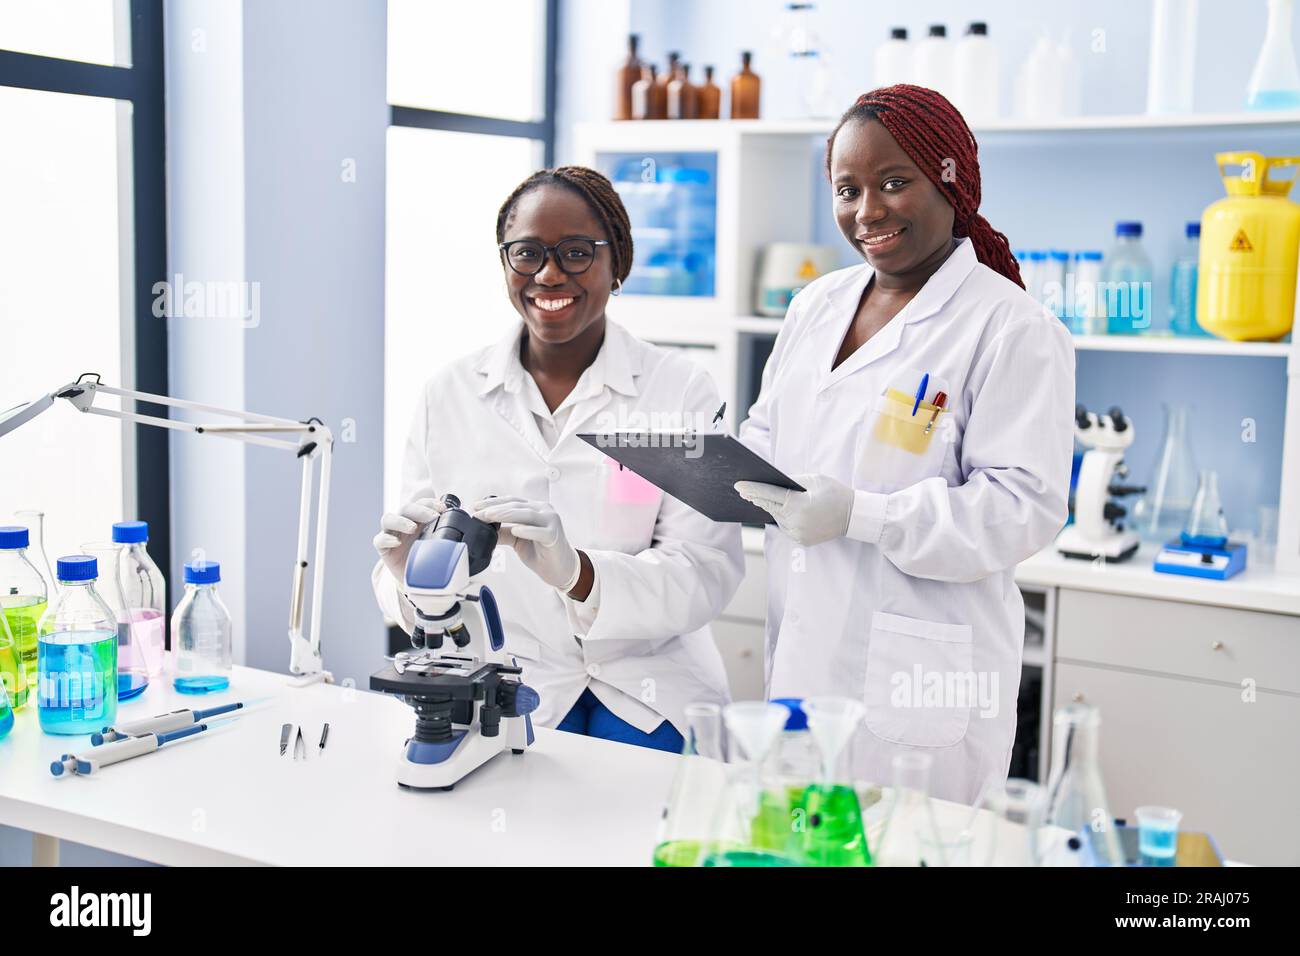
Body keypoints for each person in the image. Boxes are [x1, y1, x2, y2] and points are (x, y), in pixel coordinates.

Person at [734, 86, 1075, 802]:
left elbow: (1022, 510)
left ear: (953, 183)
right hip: (803, 655)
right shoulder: (815, 305)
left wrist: (861, 515)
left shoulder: (1010, 327)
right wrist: (719, 475)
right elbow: (767, 433)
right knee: (795, 839)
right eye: (847, 189)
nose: (868, 212)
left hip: (922, 681)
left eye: (895, 183)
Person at [372, 166, 743, 753]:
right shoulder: (448, 394)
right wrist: (410, 582)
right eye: (527, 253)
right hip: (508, 685)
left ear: (616, 263)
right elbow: (421, 595)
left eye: (576, 252)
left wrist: (579, 574)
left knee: (638, 834)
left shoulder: (680, 391)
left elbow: (706, 569)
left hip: (650, 692)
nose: (549, 274)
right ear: (504, 264)